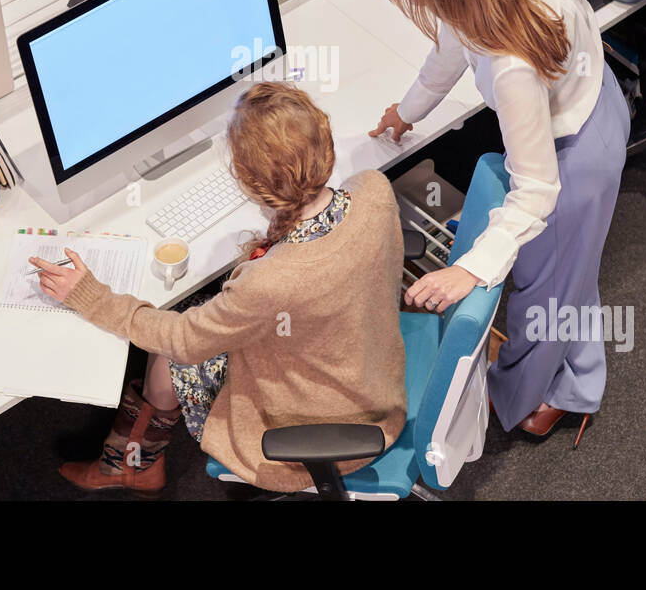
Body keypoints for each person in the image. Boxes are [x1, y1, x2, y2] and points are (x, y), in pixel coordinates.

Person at [33, 81, 407, 495]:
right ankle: (131, 461)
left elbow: (183, 340)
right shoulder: (373, 189)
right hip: (371, 380)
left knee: (166, 353)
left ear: (248, 182)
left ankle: (129, 464)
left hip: (319, 426)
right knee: (200, 307)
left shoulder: (270, 280)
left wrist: (92, 296)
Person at [368, 0, 630, 445]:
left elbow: (535, 190)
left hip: (574, 162)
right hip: (598, 99)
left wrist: (473, 268)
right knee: (571, 274)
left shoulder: (510, 65)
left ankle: (544, 396)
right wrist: (406, 111)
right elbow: (449, 48)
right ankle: (583, 380)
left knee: (544, 296)